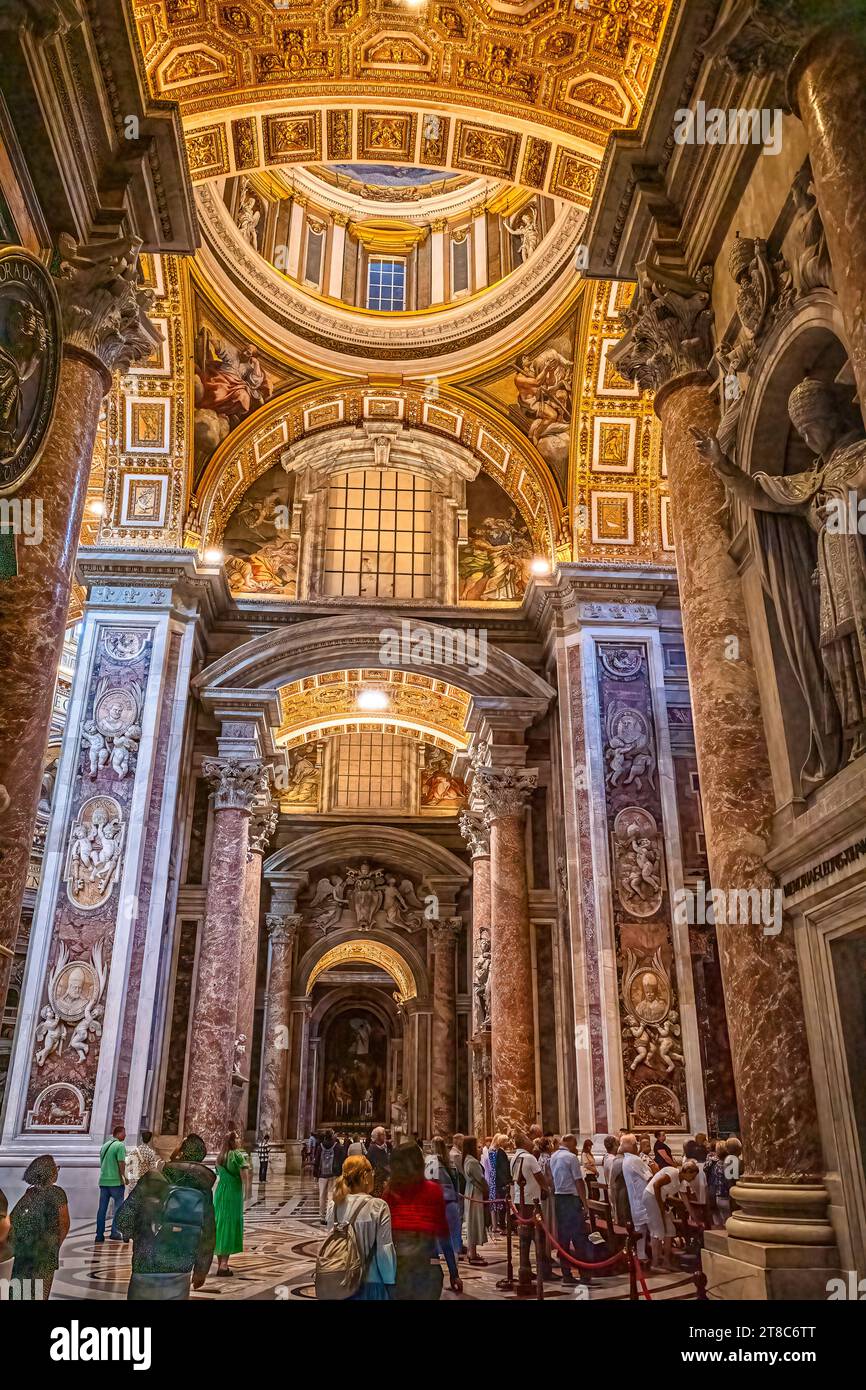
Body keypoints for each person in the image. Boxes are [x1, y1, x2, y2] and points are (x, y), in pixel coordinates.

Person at [116, 1134, 216, 1300]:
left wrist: (142, 1237)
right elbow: (208, 1234)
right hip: (180, 1266)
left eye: (180, 1144)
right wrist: (201, 1269)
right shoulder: (203, 1190)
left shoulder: (153, 1178)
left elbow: (123, 1219)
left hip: (146, 1263)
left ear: (182, 1153)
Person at [385, 1141, 463, 1299]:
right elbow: (444, 1235)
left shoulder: (389, 1193)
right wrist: (453, 1273)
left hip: (398, 1269)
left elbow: (382, 1237)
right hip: (426, 1268)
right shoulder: (433, 1191)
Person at [325, 1155, 396, 1300]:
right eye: (372, 1172)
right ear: (365, 1175)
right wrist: (390, 1280)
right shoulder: (378, 1206)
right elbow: (384, 1250)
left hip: (342, 1282)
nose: (374, 1175)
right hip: (371, 1283)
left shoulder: (334, 1206)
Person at [9, 1155, 69, 1299]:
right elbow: (64, 1223)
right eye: (56, 1168)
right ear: (50, 1172)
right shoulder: (57, 1194)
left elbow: (12, 1220)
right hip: (45, 1253)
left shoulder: (29, 1193)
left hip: (24, 1252)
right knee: (40, 1293)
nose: (57, 1171)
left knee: (20, 1293)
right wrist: (55, 1244)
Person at [549, 1134, 595, 1287]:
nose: (576, 1148)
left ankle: (566, 1273)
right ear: (570, 1143)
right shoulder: (571, 1157)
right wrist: (585, 1203)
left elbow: (551, 1179)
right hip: (571, 1199)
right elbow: (578, 1180)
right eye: (575, 1144)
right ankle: (584, 1274)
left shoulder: (553, 1156)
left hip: (559, 1199)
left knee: (563, 1238)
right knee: (579, 1237)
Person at [510, 1130, 552, 1281]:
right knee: (539, 1236)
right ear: (523, 1142)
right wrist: (547, 1189)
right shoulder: (529, 1158)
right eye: (528, 1140)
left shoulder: (515, 1157)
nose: (531, 1142)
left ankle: (525, 1268)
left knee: (524, 1236)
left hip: (519, 1199)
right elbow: (540, 1178)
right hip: (531, 1201)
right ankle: (544, 1271)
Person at [645, 1159, 700, 1271]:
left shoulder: (682, 1182)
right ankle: (655, 1264)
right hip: (651, 1197)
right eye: (693, 1176)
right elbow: (656, 1185)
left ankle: (666, 1261)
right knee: (657, 1231)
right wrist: (660, 1205)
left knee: (670, 1230)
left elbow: (686, 1202)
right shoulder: (673, 1173)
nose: (693, 1179)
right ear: (687, 1172)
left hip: (660, 1201)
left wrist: (695, 1218)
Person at [214, 1130, 250, 1275]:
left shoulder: (220, 1156)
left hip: (220, 1192)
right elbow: (244, 1177)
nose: (239, 1139)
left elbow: (219, 1174)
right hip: (232, 1193)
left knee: (220, 1224)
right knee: (229, 1224)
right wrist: (247, 1193)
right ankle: (224, 1264)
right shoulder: (237, 1155)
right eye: (238, 1138)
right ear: (233, 1141)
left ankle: (219, 1263)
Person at [620, 1133, 653, 1264]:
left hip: (636, 1201)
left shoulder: (626, 1160)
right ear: (634, 1145)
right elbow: (649, 1177)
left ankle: (641, 1255)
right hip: (644, 1200)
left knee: (641, 1229)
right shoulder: (634, 1160)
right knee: (656, 1229)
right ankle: (656, 1258)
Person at [429, 1137, 463, 1261]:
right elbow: (457, 1185)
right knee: (453, 1232)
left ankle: (440, 1254)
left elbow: (428, 1184)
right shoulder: (451, 1162)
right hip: (452, 1202)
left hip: (437, 1201)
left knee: (438, 1233)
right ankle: (454, 1255)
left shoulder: (430, 1162)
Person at [96, 1124, 127, 1243]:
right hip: (115, 1182)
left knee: (102, 1209)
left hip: (103, 1181)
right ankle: (114, 1232)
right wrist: (124, 1176)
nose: (125, 1135)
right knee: (119, 1208)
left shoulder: (104, 1146)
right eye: (124, 1133)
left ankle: (99, 1235)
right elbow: (121, 1162)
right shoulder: (120, 1145)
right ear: (119, 1133)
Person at [462, 1136, 489, 1265]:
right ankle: (472, 1253)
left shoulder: (467, 1159)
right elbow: (481, 1178)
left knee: (472, 1221)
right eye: (477, 1146)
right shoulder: (472, 1161)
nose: (479, 1149)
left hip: (471, 1190)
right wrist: (486, 1188)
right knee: (474, 1221)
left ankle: (472, 1251)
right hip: (475, 1192)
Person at [314, 1129, 340, 1221]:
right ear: (332, 1136)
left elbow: (316, 1160)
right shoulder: (336, 1146)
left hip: (322, 1174)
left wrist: (315, 1174)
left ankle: (322, 1216)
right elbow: (340, 1159)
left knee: (322, 1195)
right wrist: (339, 1172)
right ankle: (329, 1216)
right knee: (331, 1196)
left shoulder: (320, 1146)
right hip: (333, 1173)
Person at [489, 1133, 511, 1233]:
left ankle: (502, 1224)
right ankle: (502, 1226)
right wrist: (506, 1182)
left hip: (499, 1181)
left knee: (502, 1204)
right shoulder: (500, 1152)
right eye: (507, 1141)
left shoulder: (499, 1152)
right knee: (502, 1205)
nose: (509, 1143)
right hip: (501, 1182)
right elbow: (502, 1169)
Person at [366, 1125, 391, 1196]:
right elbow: (383, 1164)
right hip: (378, 1181)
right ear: (377, 1137)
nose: (385, 1136)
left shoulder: (386, 1146)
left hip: (385, 1180)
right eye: (383, 1134)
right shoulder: (373, 1149)